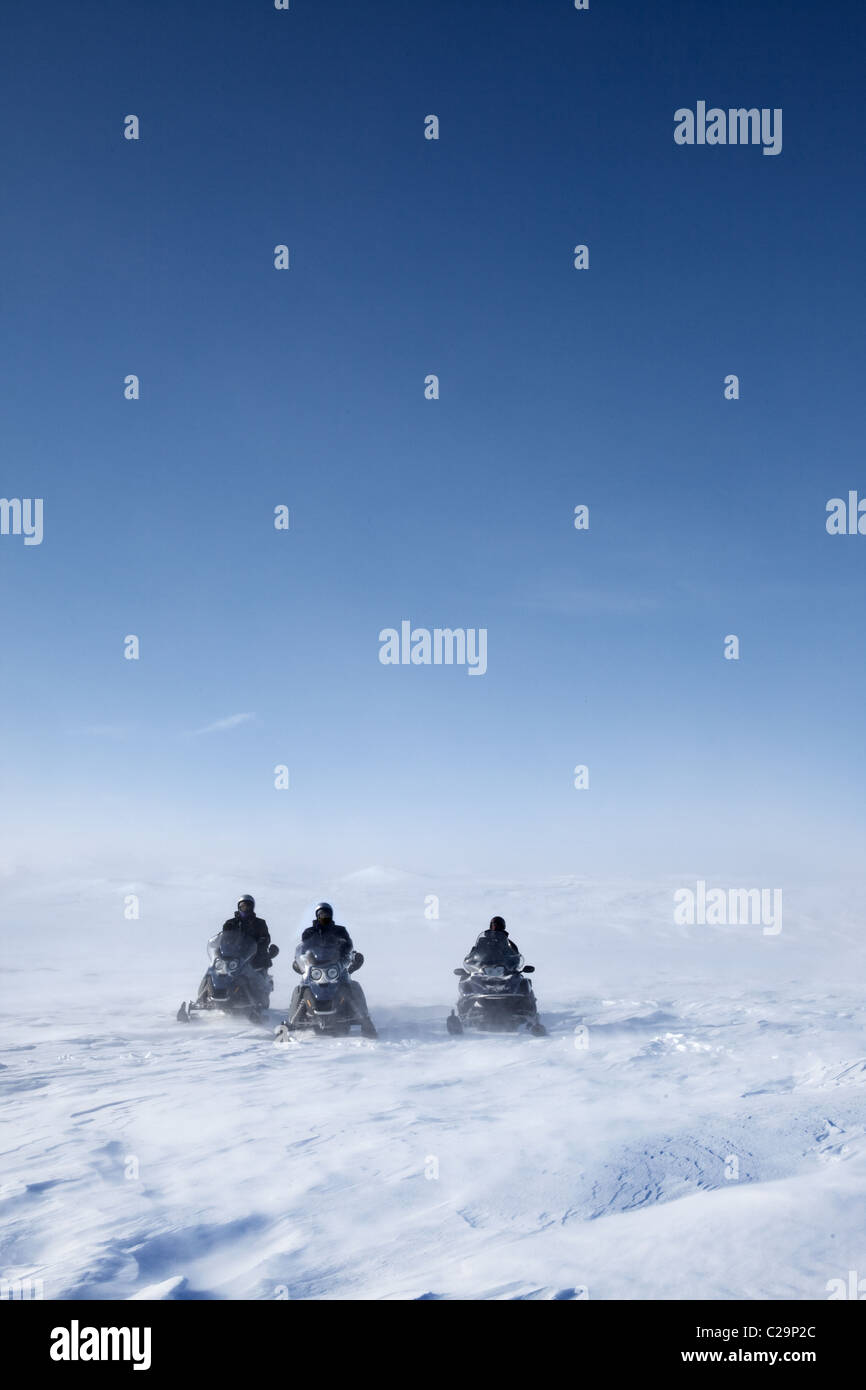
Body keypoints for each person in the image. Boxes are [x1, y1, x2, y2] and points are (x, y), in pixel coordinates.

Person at [291, 901, 376, 1036]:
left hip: (335, 967)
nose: (324, 916)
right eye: (321, 914)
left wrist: (348, 957)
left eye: (326, 913)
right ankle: (292, 1021)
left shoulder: (340, 930)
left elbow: (348, 946)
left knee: (352, 986)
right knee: (302, 987)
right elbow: (304, 948)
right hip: (315, 967)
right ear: (317, 915)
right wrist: (302, 962)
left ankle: (366, 1020)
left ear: (330, 915)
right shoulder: (309, 932)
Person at [221, 895, 278, 973]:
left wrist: (260, 945)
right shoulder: (230, 923)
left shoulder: (260, 923)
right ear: (238, 907)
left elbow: (266, 939)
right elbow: (223, 939)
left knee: (260, 978)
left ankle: (263, 983)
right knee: (217, 972)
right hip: (233, 960)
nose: (245, 908)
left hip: (255, 960)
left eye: (248, 906)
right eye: (242, 906)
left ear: (252, 907)